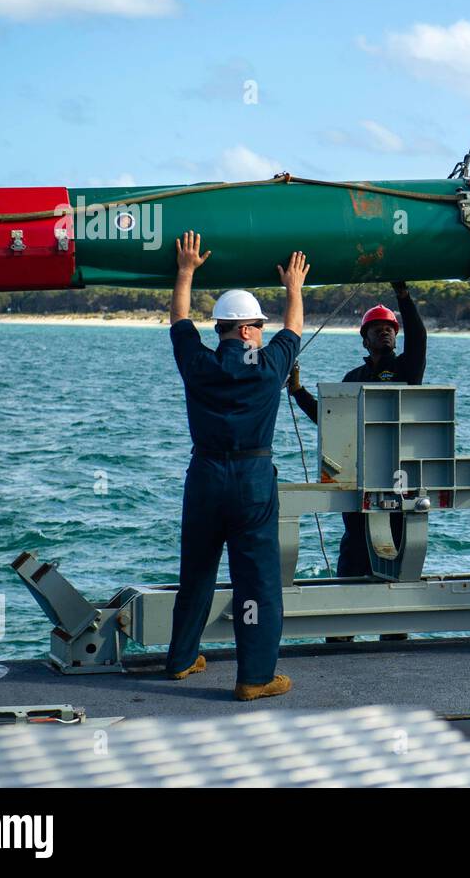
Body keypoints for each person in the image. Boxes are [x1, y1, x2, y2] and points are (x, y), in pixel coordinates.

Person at [164, 230, 310, 700]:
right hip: (251, 481)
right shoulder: (270, 367)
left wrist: (186, 270)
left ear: (223, 329)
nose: (263, 333)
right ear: (247, 330)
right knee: (258, 580)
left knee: (198, 571)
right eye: (258, 326)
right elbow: (294, 331)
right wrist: (294, 288)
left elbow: (179, 322)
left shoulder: (197, 364)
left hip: (204, 476)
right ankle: (255, 676)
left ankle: (182, 658)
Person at [289, 281, 426, 578]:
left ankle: (394, 620)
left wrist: (403, 297)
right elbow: (331, 420)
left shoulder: (407, 371)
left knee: (397, 565)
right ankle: (345, 617)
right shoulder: (353, 378)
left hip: (398, 480)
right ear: (364, 340)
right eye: (376, 328)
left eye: (389, 327)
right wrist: (299, 391)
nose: (384, 331)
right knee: (353, 559)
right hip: (357, 479)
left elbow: (419, 338)